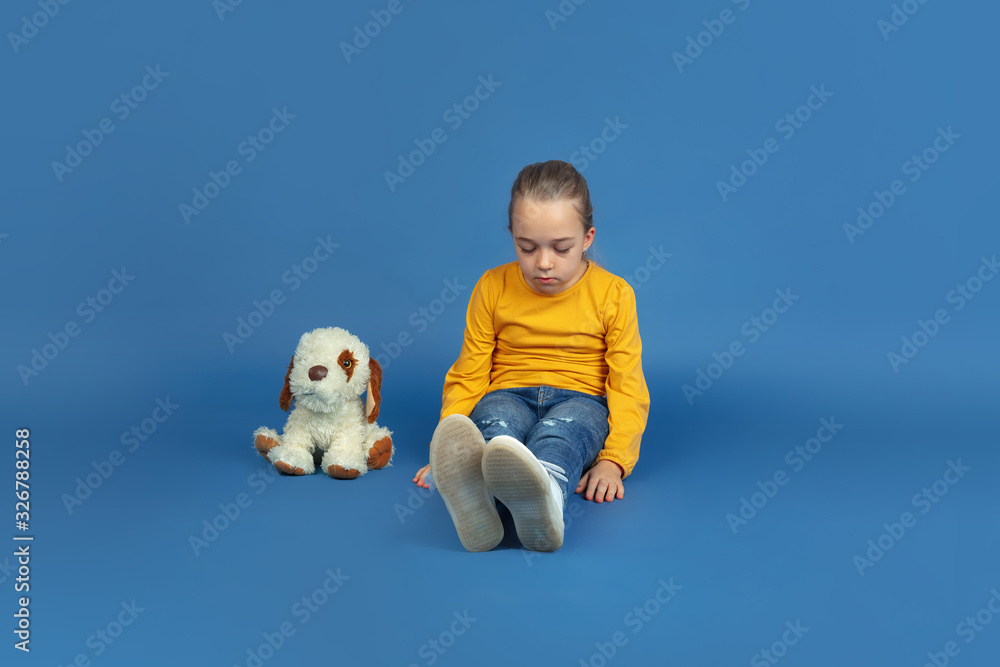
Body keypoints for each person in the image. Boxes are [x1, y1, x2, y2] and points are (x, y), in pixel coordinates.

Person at [412, 159, 650, 552]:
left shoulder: (614, 294)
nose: (543, 262)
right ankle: (477, 499)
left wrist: (614, 460)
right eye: (527, 247)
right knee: (496, 430)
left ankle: (546, 499)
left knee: (562, 435)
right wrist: (449, 443)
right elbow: (470, 370)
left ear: (587, 237)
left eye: (561, 248)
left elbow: (627, 383)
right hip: (508, 392)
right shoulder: (492, 286)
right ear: (512, 237)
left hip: (580, 400)